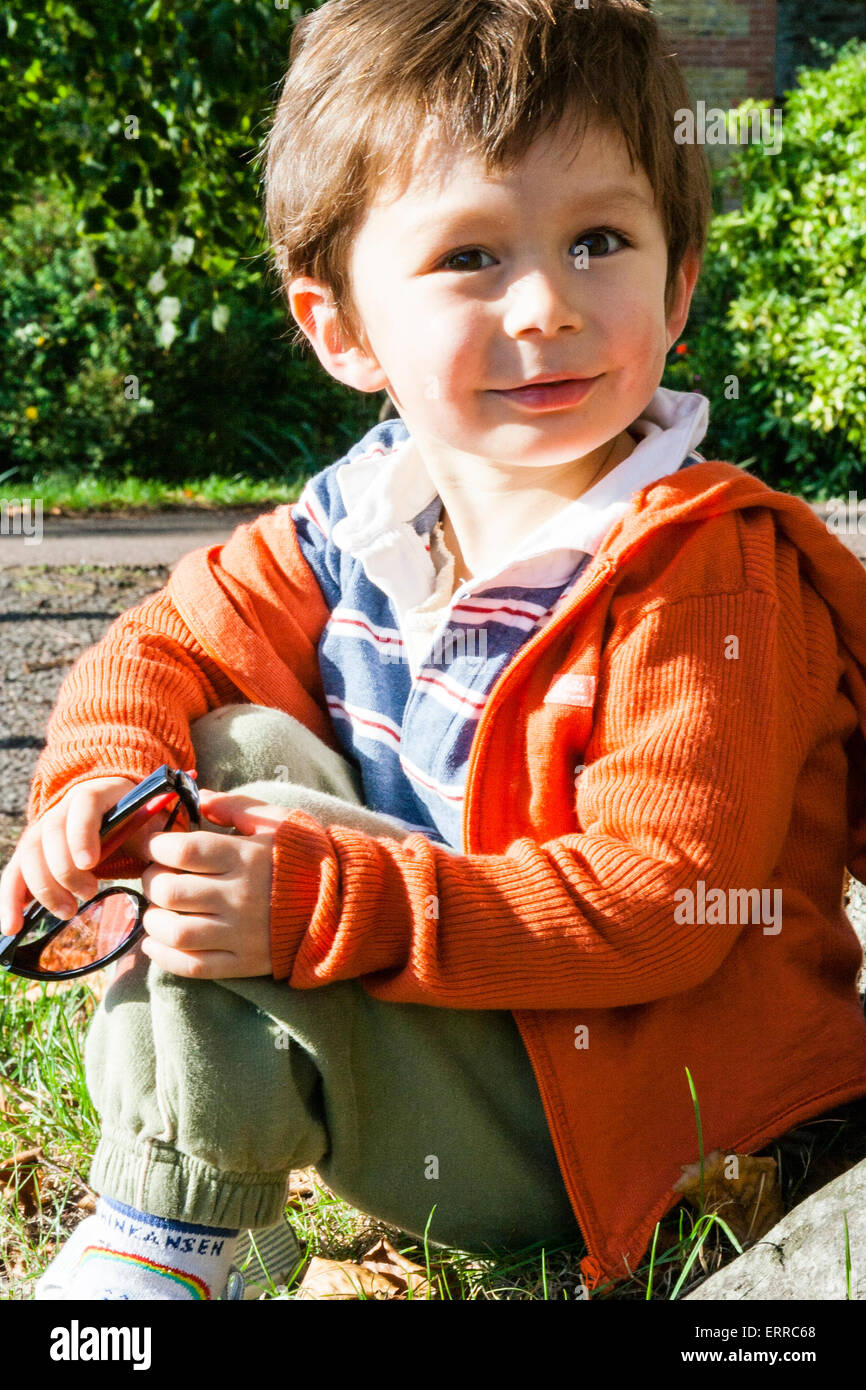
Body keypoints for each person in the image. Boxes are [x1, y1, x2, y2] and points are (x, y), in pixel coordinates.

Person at [3, 0, 866, 1301]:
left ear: (675, 281)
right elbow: (160, 643)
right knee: (212, 754)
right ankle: (212, 1217)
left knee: (250, 829)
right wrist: (94, 786)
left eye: (598, 241)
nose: (545, 306)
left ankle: (165, 1246)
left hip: (636, 1117)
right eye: (470, 254)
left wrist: (314, 896)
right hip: (468, 1035)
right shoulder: (374, 514)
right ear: (341, 327)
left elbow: (659, 900)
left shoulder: (698, 569)